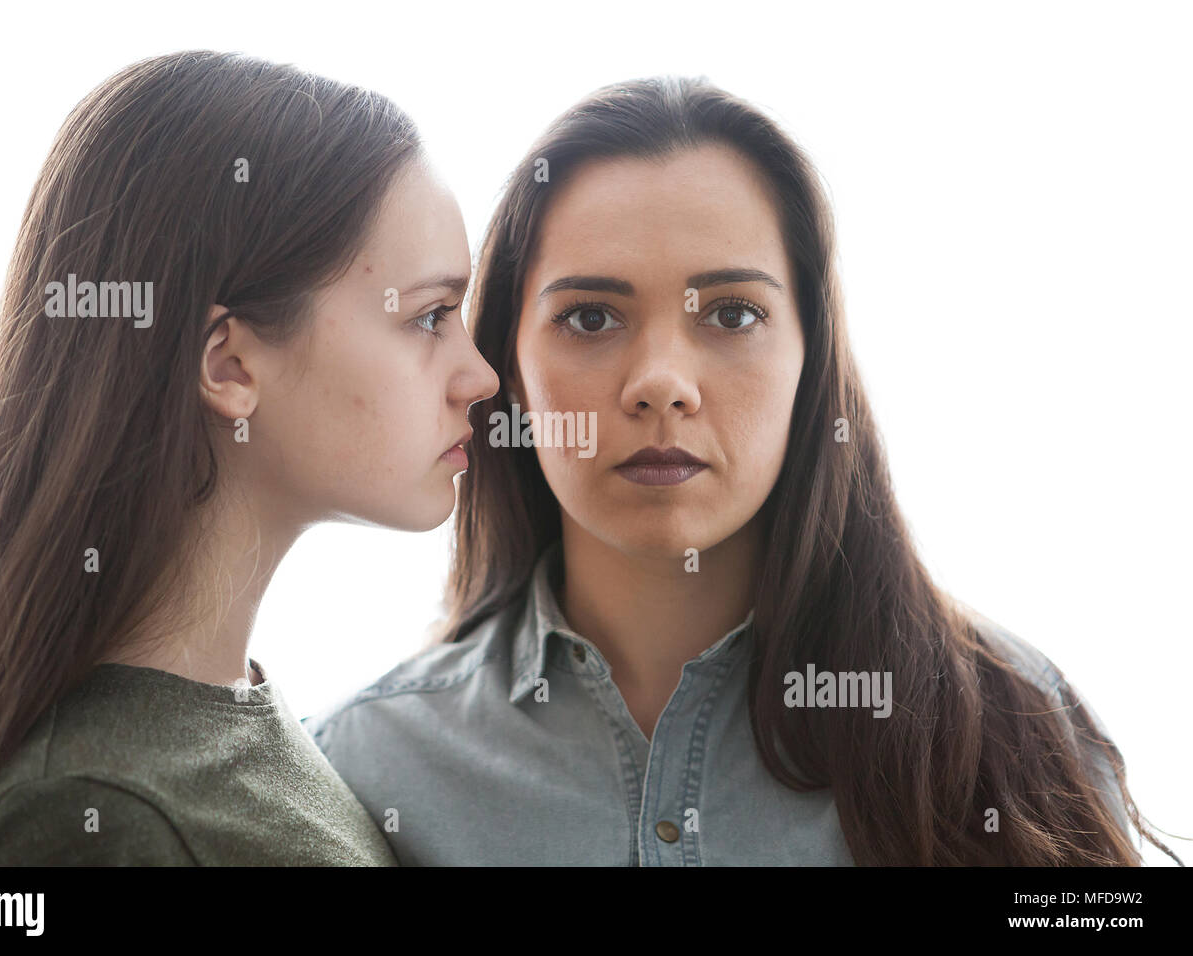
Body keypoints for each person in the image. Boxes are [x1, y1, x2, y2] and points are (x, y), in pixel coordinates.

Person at [309, 76, 1180, 866]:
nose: (661, 384)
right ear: (508, 362)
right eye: (588, 318)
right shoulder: (362, 769)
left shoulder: (1012, 726)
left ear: (812, 358)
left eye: (731, 312)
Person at [0, 50, 497, 865]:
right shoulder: (89, 816)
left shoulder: (226, 720)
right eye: (430, 316)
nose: (480, 376)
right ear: (229, 366)